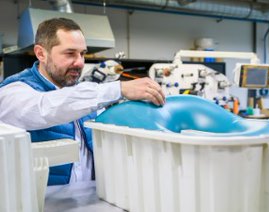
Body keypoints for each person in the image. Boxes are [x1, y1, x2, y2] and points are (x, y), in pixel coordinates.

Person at [0, 18, 165, 185]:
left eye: (83, 54)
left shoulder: (85, 96)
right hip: (40, 203)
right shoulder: (13, 90)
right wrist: (118, 89)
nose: (79, 62)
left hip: (87, 199)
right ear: (41, 53)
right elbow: (46, 108)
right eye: (70, 53)